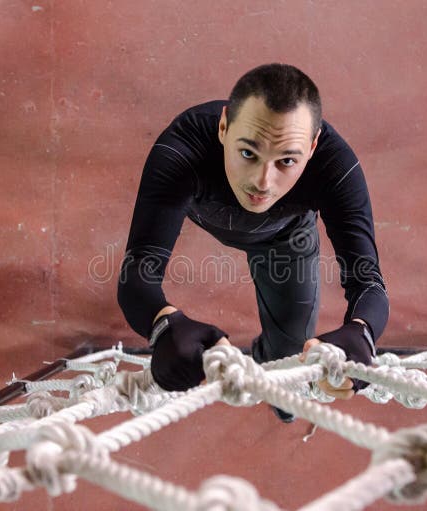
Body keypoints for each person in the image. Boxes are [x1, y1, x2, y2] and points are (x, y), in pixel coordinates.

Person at [118, 63, 389, 422]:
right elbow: (138, 271)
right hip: (203, 208)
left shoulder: (335, 166)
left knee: (286, 389)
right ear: (224, 127)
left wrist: (362, 333)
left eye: (287, 161)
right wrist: (162, 323)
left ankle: (267, 363)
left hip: (284, 235)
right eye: (248, 153)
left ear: (312, 148)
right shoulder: (183, 148)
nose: (263, 182)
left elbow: (368, 282)